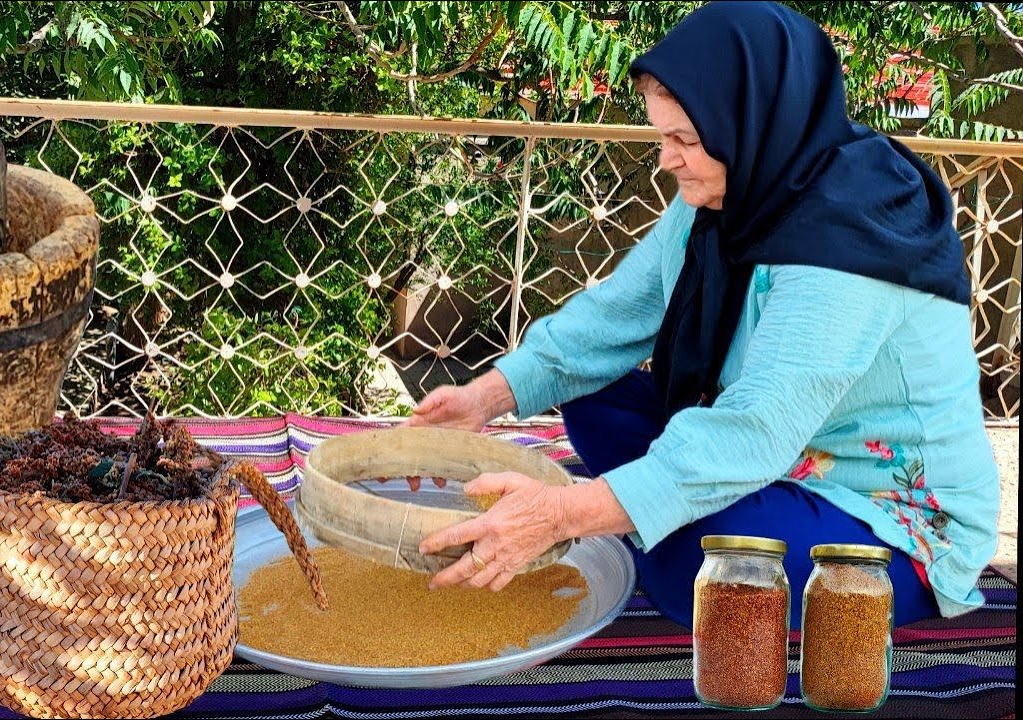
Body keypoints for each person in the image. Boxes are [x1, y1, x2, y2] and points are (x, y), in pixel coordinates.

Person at [407, 0, 1000, 629]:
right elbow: (614, 317)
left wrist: (559, 515)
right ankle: (652, 511)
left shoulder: (853, 232)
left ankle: (653, 521)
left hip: (878, 509)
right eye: (664, 136)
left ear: (748, 125)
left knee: (706, 576)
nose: (666, 158)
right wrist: (484, 398)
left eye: (684, 140)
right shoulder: (736, 188)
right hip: (768, 457)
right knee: (591, 388)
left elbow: (756, 426)